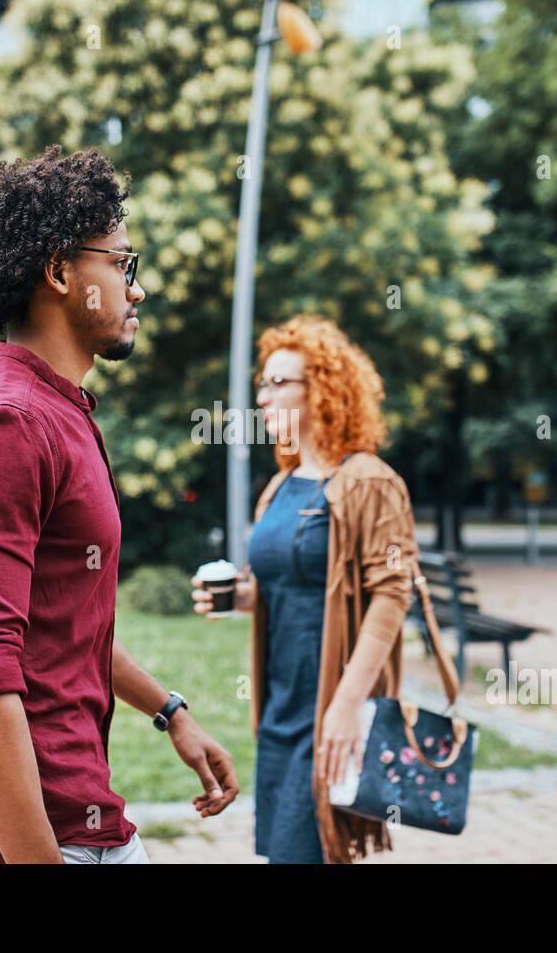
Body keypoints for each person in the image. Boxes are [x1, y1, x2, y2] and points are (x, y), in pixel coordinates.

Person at [0, 144, 238, 864]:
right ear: (60, 272)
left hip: (83, 819)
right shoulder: (5, 425)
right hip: (32, 839)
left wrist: (168, 710)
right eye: (121, 264)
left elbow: (60, 614)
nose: (137, 289)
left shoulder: (49, 409)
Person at [192, 315, 421, 864]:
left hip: (331, 711)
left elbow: (392, 597)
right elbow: (287, 585)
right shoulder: (279, 487)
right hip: (279, 713)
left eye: (278, 383)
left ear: (323, 388)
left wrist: (346, 705)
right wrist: (242, 598)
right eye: (261, 385)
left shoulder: (370, 481)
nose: (263, 398)